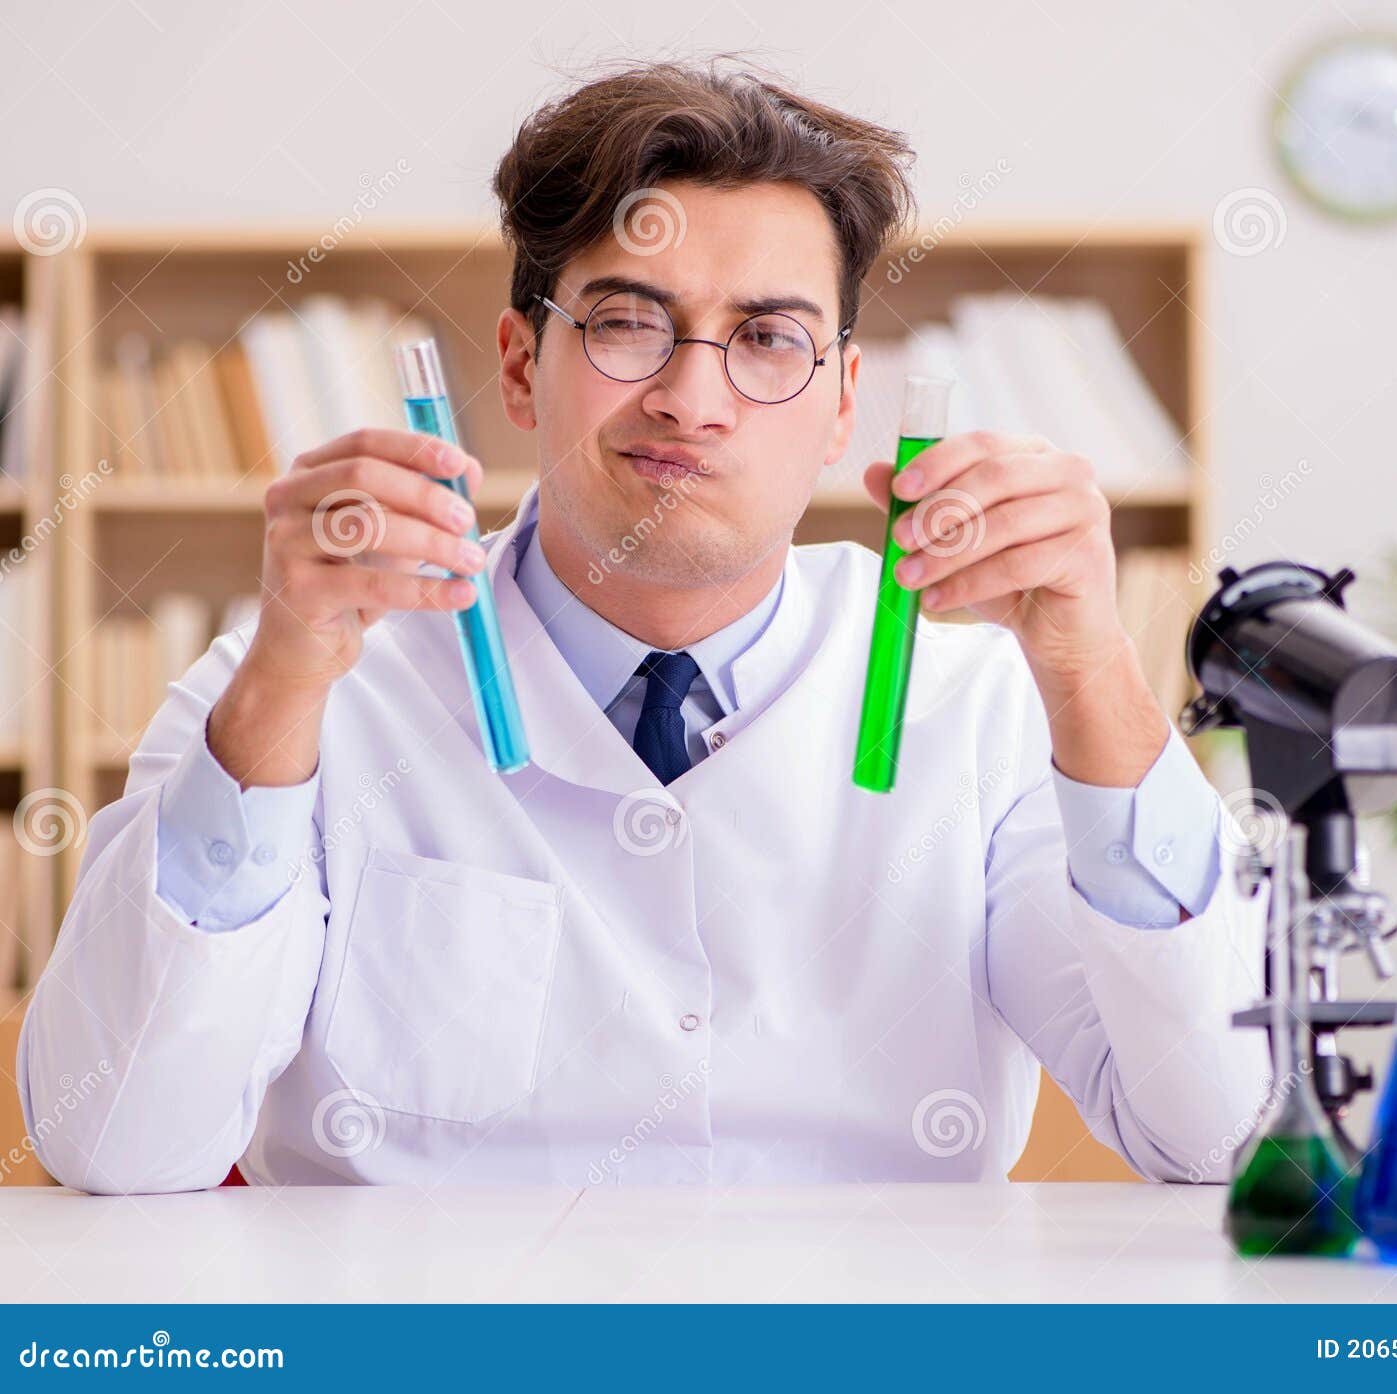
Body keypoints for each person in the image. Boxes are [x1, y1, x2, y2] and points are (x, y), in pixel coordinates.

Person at [19, 60, 1266, 1192]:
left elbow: (1217, 1134)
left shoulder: (979, 699)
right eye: (626, 323)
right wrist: (282, 691)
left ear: (843, 402)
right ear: (520, 366)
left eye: (767, 338)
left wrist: (1093, 672)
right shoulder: (294, 687)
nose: (691, 397)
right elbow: (119, 1144)